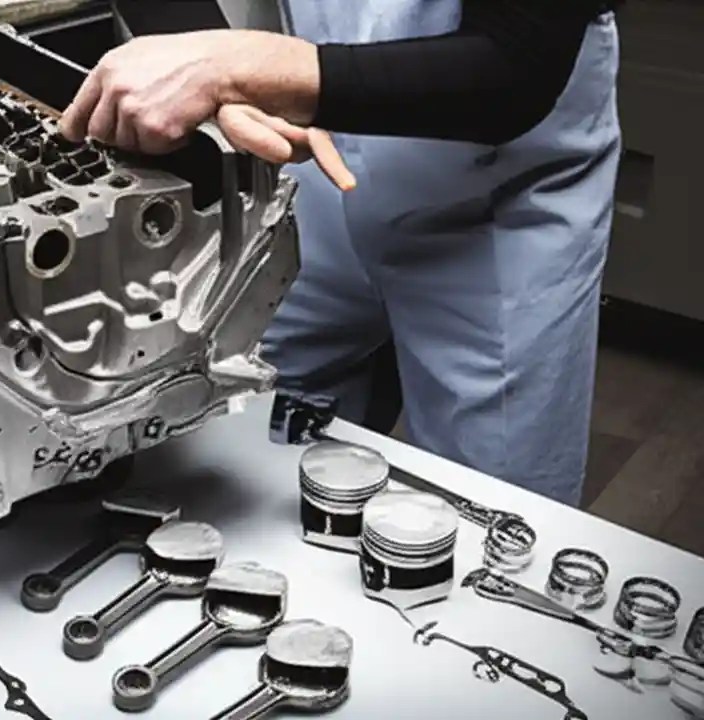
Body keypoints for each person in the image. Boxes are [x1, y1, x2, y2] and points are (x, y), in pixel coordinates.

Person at [59, 0, 622, 506]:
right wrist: (212, 78)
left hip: (497, 200)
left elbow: (512, 67)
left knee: (493, 510)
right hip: (317, 153)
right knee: (235, 444)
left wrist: (238, 67)